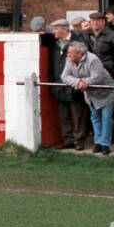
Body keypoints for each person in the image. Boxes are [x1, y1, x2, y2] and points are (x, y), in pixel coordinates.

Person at [60, 39, 114, 154]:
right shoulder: (69, 60)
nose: (68, 54)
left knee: (106, 118)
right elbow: (65, 76)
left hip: (106, 92)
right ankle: (98, 142)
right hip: (90, 94)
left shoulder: (93, 60)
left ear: (80, 54)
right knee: (95, 118)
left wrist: (85, 82)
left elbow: (98, 77)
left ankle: (105, 144)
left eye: (71, 52)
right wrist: (79, 82)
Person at [49, 19, 88, 150]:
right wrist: (53, 82)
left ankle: (79, 140)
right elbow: (52, 65)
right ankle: (68, 139)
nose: (53, 31)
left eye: (55, 29)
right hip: (59, 85)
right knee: (63, 115)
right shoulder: (54, 44)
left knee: (78, 115)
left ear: (64, 29)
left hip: (74, 85)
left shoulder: (78, 42)